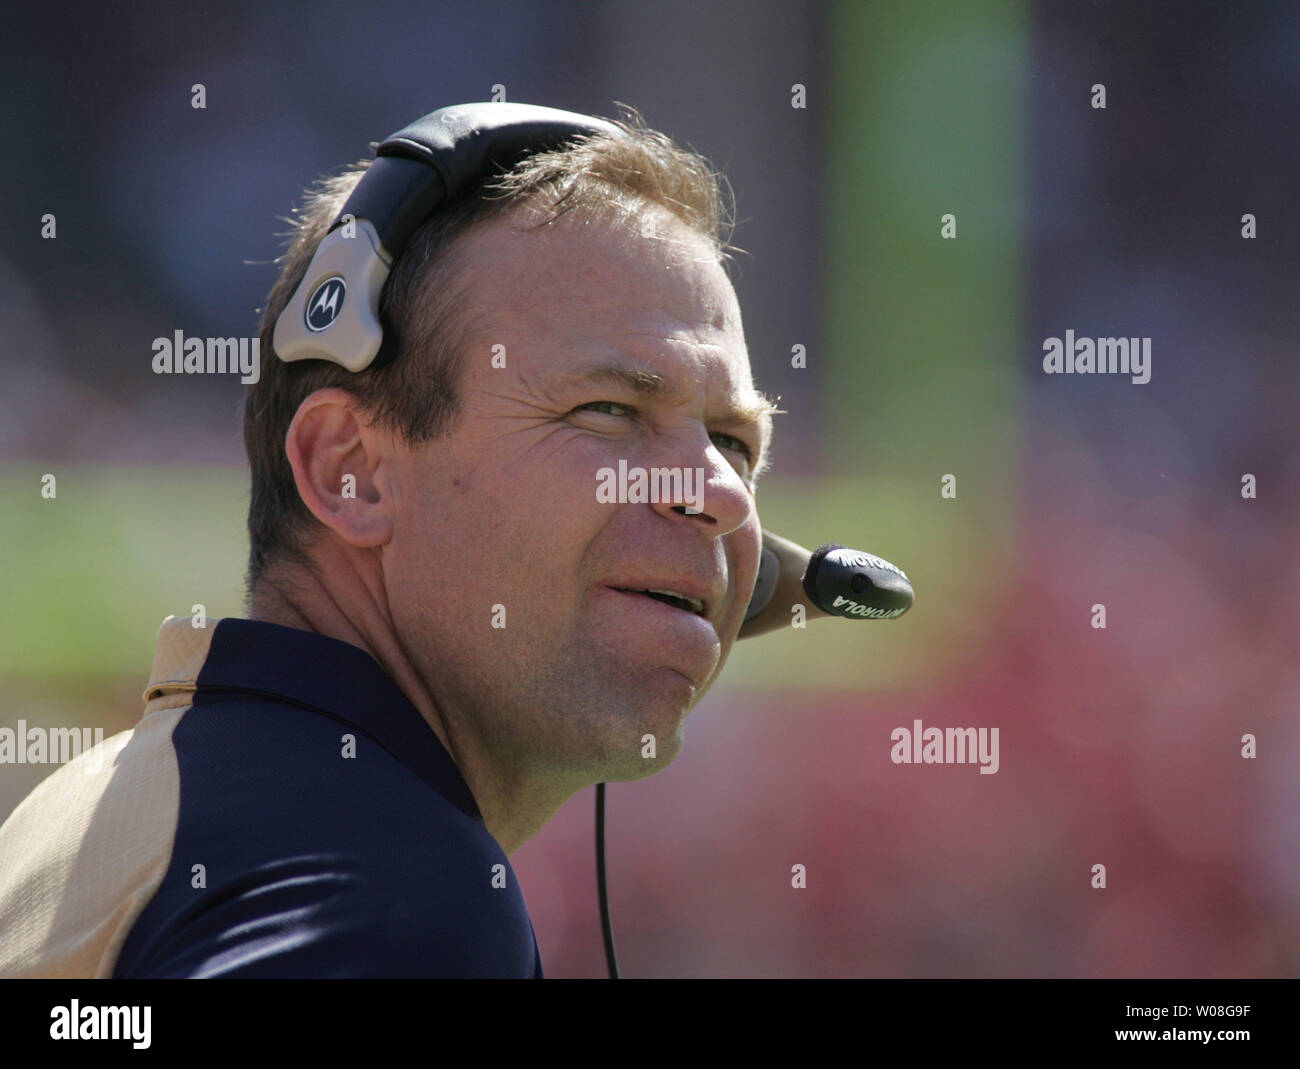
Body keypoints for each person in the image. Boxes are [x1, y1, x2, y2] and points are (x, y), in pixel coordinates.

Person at [0, 104, 777, 978]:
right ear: (351, 471)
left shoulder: (99, 808)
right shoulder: (398, 895)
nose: (714, 492)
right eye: (608, 410)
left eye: (735, 444)